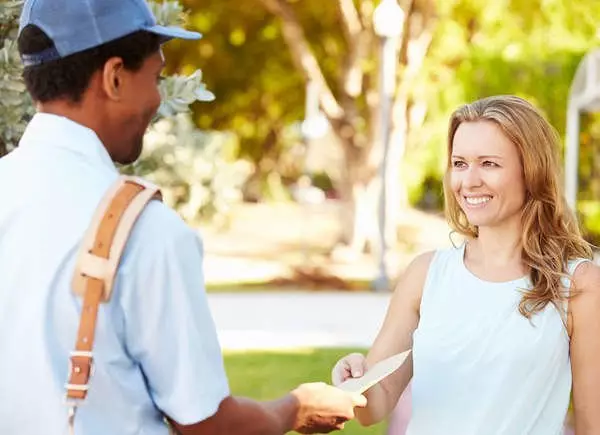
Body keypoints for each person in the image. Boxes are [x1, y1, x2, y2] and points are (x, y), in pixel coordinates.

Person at [0, 1, 366, 434]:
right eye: (155, 78)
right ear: (115, 77)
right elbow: (208, 426)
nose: (157, 100)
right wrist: (296, 406)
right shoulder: (145, 232)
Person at [331, 95, 600, 434]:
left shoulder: (578, 285)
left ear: (531, 171)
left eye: (489, 163)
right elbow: (376, 404)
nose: (469, 181)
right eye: (459, 163)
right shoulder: (425, 275)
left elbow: (594, 424)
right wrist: (356, 378)